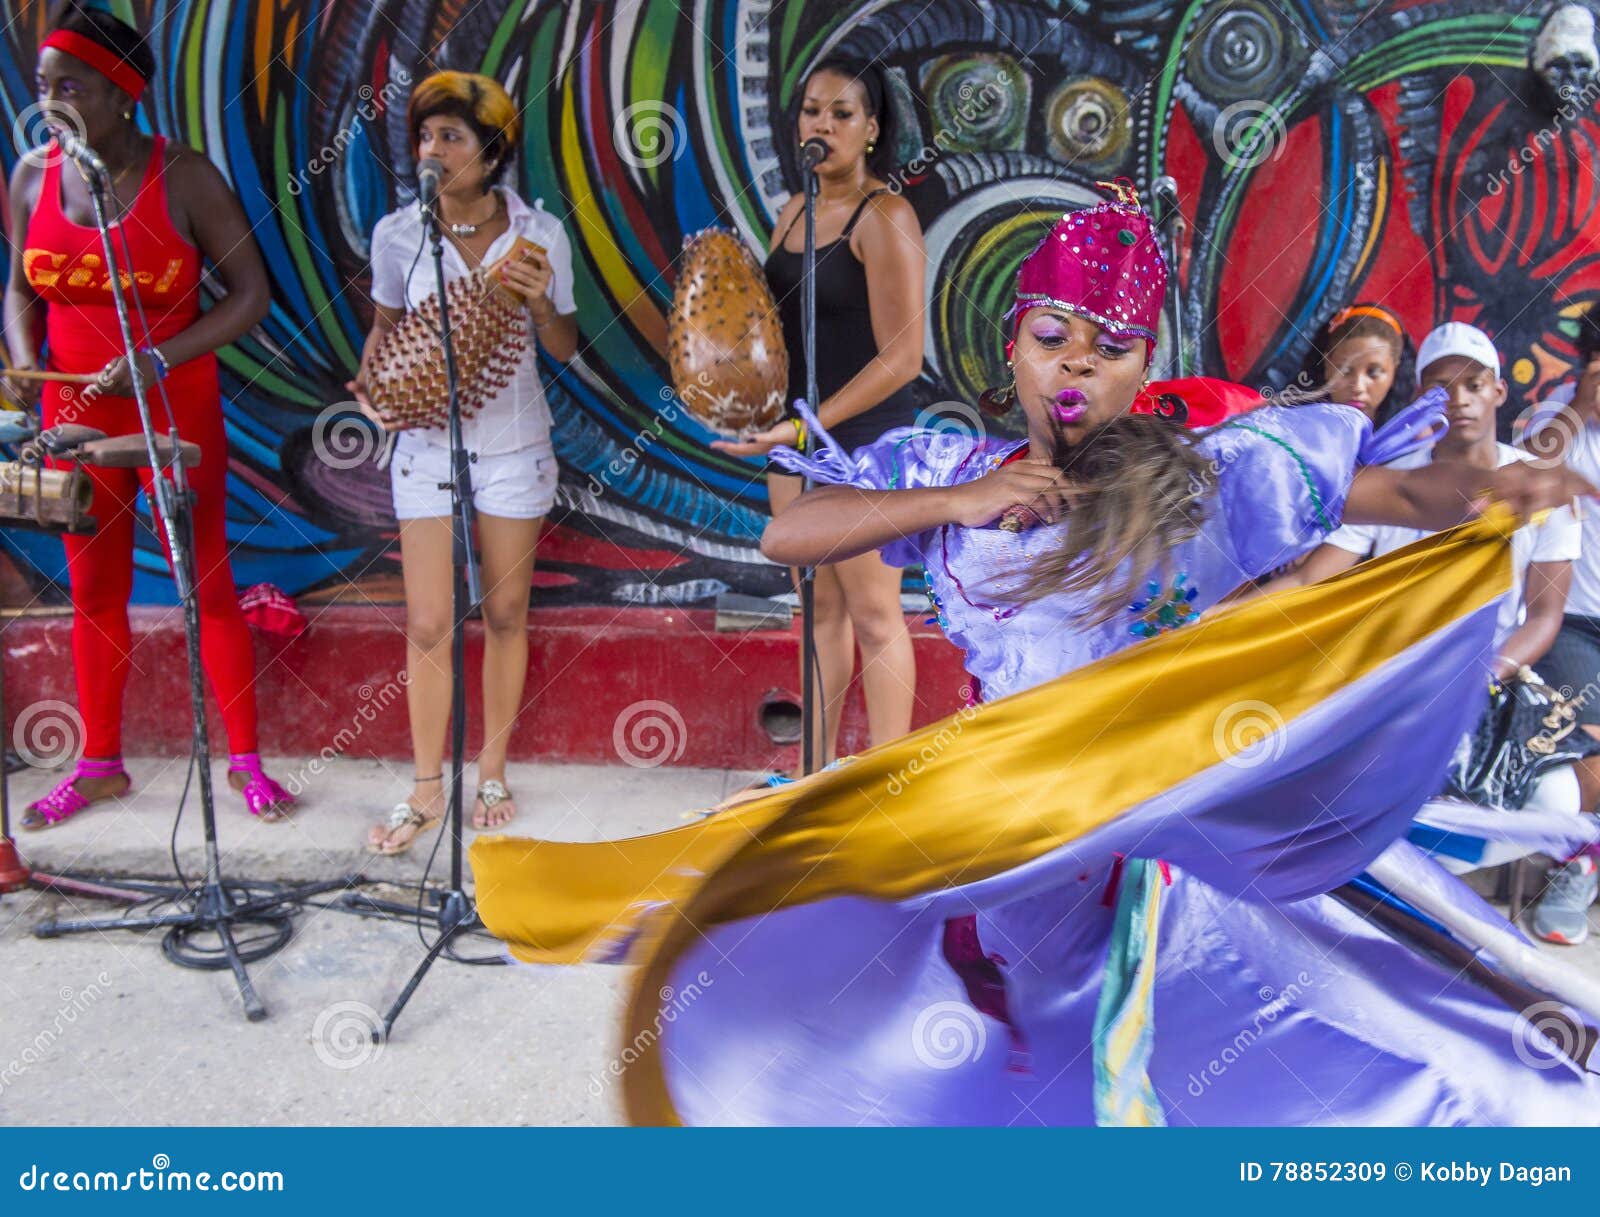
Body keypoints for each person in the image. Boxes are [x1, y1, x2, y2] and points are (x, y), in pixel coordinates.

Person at [473, 186, 1600, 1124]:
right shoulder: (953, 471)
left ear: (1142, 360)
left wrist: (1486, 480)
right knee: (973, 1064)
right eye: (1050, 338)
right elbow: (788, 529)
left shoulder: (1200, 482)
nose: (1074, 370)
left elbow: (1403, 492)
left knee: (1166, 1071)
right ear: (1009, 341)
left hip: (1144, 852)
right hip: (994, 831)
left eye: (1107, 350)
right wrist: (957, 497)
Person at [3, 3, 289, 826]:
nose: (53, 102)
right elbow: (22, 289)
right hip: (69, 411)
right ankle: (99, 764)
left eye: (74, 87)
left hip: (173, 402)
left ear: (123, 93)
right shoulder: (31, 175)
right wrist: (23, 356)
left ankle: (245, 763)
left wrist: (162, 355)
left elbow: (251, 296)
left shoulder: (186, 175)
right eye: (44, 86)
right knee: (95, 586)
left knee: (207, 581)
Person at [349, 71, 577, 856]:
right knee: (427, 623)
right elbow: (384, 331)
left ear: (492, 150)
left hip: (513, 443)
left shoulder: (539, 234)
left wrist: (543, 302)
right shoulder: (396, 234)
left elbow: (565, 348)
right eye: (424, 136)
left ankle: (492, 768)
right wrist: (369, 385)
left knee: (506, 614)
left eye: (451, 136)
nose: (432, 151)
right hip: (423, 444)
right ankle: (423, 787)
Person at [711, 58, 926, 775]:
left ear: (871, 130)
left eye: (841, 114)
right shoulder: (793, 211)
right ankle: (816, 773)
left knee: (873, 614)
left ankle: (891, 784)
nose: (821, 125)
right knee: (819, 612)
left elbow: (901, 358)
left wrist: (808, 428)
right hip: (793, 437)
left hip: (865, 440)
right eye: (811, 111)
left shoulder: (885, 216)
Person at [1268, 322, 1578, 680]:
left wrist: (1486, 677)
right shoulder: (1391, 481)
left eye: (1474, 385)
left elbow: (1544, 615)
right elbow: (1308, 578)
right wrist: (1211, 621)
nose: (1459, 399)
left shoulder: (1539, 487)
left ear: (1499, 390)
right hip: (1387, 672)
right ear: (1421, 396)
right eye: (1441, 387)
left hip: (1480, 677)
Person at [1517, 301, 1600, 942]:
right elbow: (1524, 477)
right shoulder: (1555, 420)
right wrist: (1579, 410)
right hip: (1570, 620)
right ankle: (1581, 859)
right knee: (1592, 738)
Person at [1290, 302, 1416, 422]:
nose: (1358, 387)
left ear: (1395, 371)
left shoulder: (1412, 440)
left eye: (1373, 373)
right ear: (1326, 364)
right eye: (1345, 370)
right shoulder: (1282, 428)